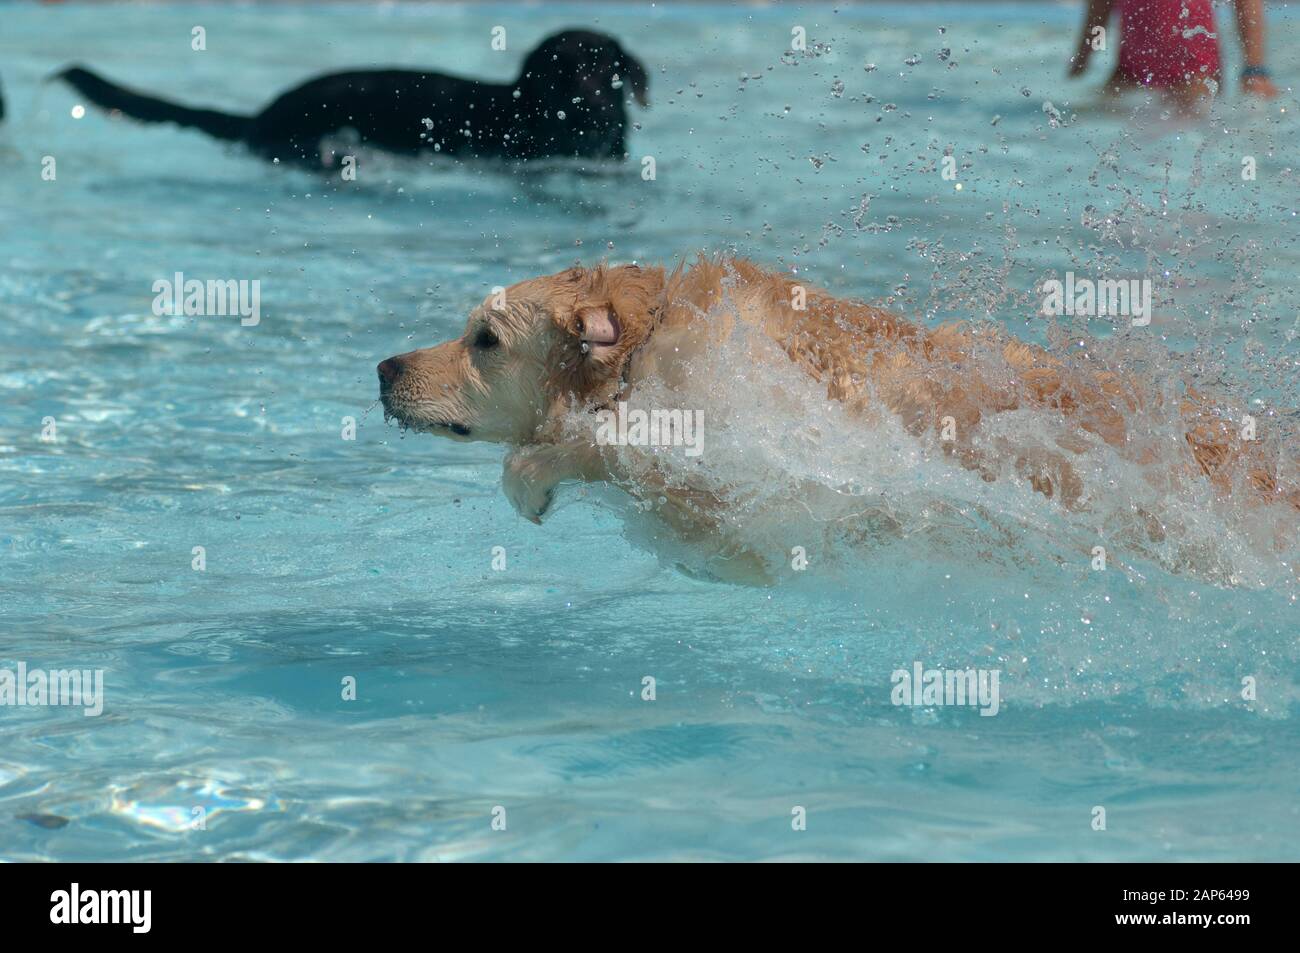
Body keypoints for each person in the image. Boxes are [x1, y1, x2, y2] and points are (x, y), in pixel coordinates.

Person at [1069, 0, 1279, 111]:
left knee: (1182, 144)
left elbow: (1246, 3)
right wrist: (1081, 61)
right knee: (1089, 120)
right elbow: (1100, 4)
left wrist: (1254, 69)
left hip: (1193, 70)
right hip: (1129, 68)